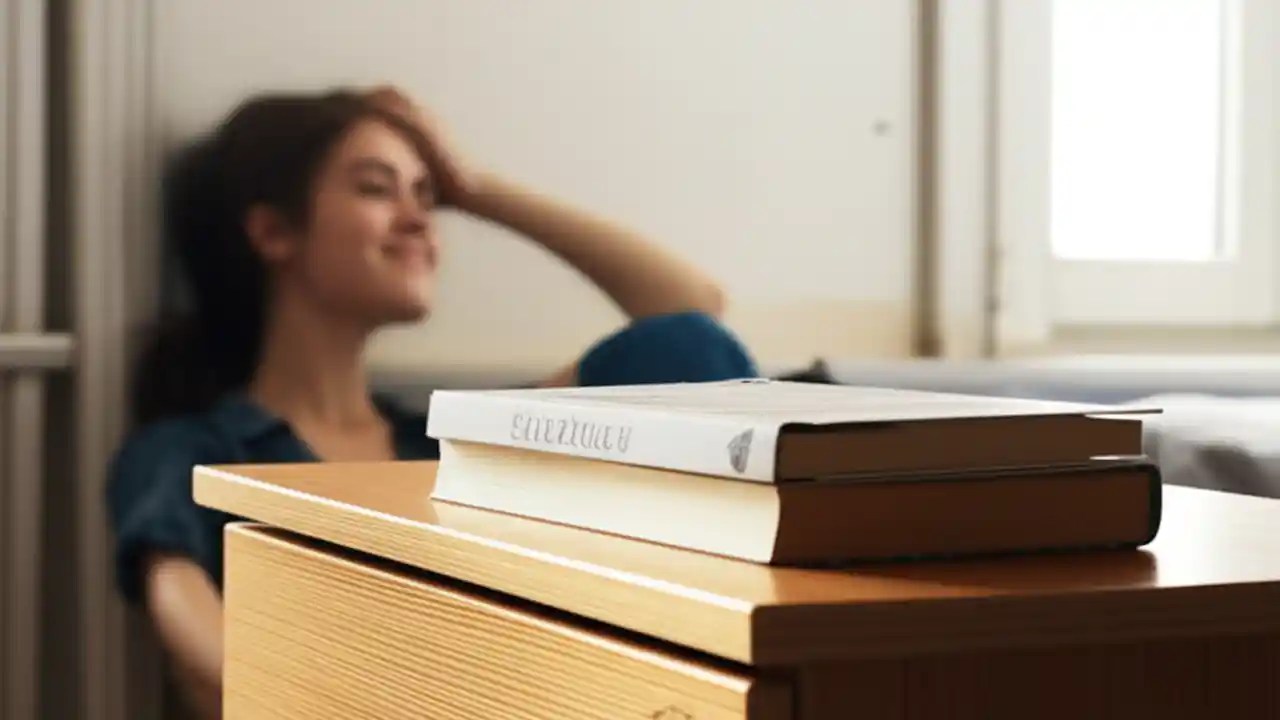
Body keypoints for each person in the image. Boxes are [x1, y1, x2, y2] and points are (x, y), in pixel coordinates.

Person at [106, 86, 757, 718]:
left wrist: (472, 187)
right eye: (375, 187)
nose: (420, 218)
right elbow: (206, 658)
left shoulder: (446, 446)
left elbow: (689, 329)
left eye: (427, 195)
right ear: (275, 231)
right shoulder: (192, 451)